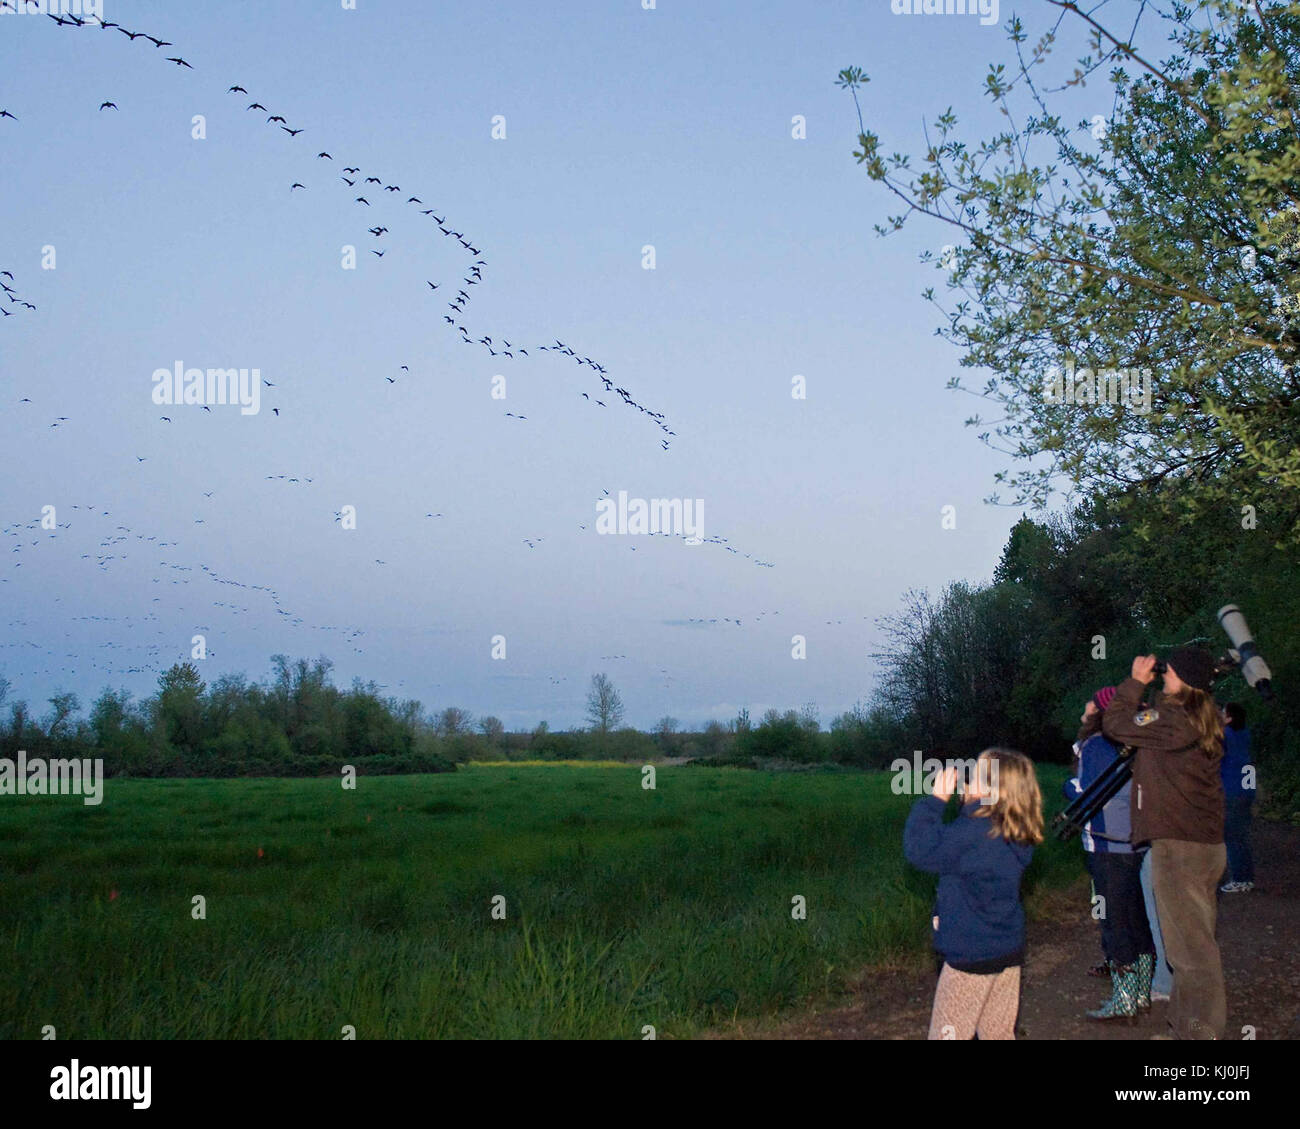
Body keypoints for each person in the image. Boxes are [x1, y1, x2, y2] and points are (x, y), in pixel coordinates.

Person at [1102, 647, 1226, 1040]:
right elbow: (1143, 726)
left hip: (1180, 849)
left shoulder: (1174, 718)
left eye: (1169, 671)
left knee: (1191, 955)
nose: (1163, 674)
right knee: (1188, 948)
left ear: (1186, 680)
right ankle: (1183, 1030)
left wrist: (1136, 682)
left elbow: (1118, 723)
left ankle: (1200, 1034)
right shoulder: (1192, 716)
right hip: (1201, 846)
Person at [904, 748, 1044, 1040]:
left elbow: (920, 850)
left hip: (970, 959)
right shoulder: (1013, 830)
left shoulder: (972, 833)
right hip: (1007, 952)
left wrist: (935, 801)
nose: (967, 777)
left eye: (976, 774)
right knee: (998, 1033)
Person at [1064, 687, 1155, 1022]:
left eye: (1092, 702)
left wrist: (1067, 786)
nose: (1085, 705)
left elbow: (1084, 794)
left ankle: (1124, 1001)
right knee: (1136, 918)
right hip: (1135, 844)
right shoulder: (1137, 743)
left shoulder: (1097, 745)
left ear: (1102, 712)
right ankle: (1142, 993)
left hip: (1106, 846)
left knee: (1113, 923)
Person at [1219, 702, 1256, 892]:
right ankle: (1245, 877)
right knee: (1241, 836)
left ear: (1229, 718)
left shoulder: (1225, 735)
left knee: (1233, 837)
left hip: (1232, 791)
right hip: (1246, 790)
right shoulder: (1245, 734)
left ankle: (1240, 879)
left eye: (1222, 713)